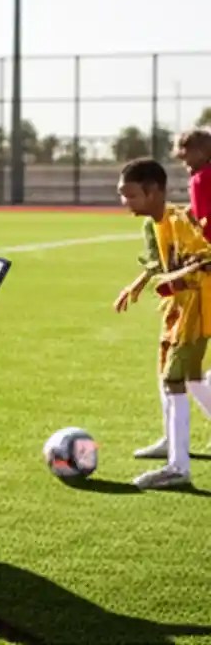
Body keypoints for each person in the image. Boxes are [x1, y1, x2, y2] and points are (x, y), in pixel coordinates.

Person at [113, 157, 211, 487]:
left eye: (130, 196)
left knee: (174, 379)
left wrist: (174, 279)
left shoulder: (179, 220)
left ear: (153, 191)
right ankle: (172, 444)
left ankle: (178, 468)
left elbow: (206, 259)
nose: (124, 202)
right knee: (187, 378)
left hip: (196, 310)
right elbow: (159, 262)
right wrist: (139, 283)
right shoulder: (152, 223)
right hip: (177, 309)